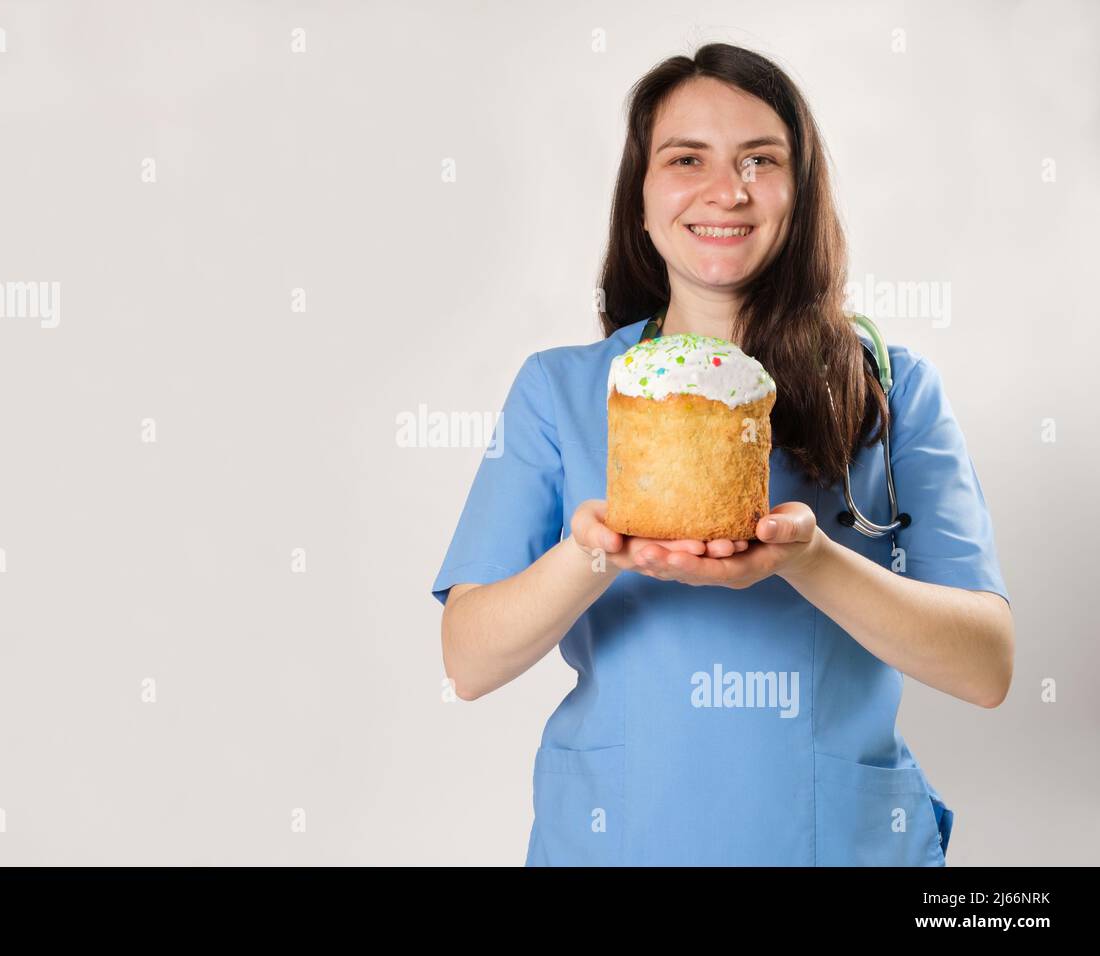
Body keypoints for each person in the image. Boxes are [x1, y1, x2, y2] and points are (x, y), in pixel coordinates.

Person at [429, 43, 1014, 866]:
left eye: (760, 160)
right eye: (686, 158)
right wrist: (593, 555)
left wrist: (806, 561)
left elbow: (986, 667)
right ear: (640, 197)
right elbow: (467, 661)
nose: (726, 190)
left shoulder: (891, 388)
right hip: (621, 839)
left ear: (800, 194)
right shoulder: (560, 390)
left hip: (838, 844)